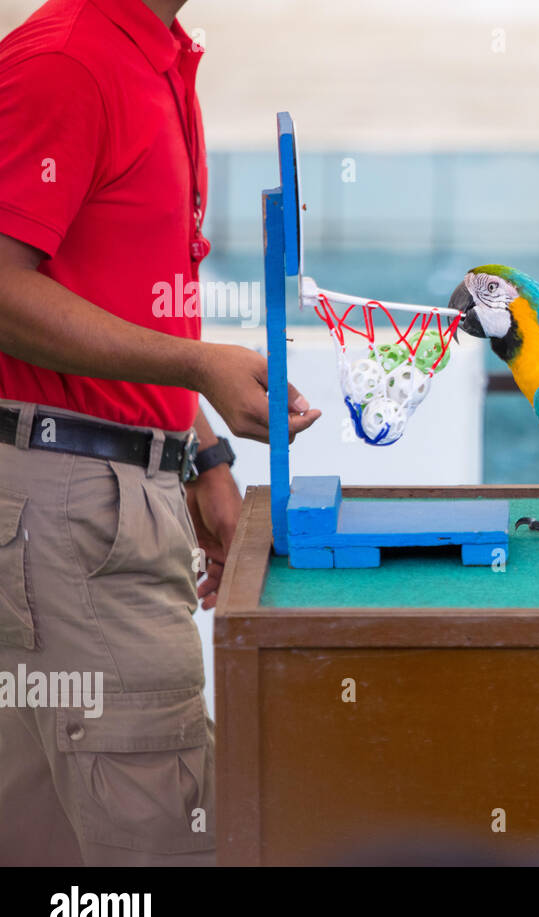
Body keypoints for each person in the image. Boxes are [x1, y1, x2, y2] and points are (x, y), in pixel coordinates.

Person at [0, 0, 320, 865]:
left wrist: (198, 448)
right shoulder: (69, 60)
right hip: (75, 517)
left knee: (58, 855)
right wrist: (199, 371)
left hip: (91, 496)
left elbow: (124, 300)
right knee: (162, 847)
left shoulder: (154, 57)